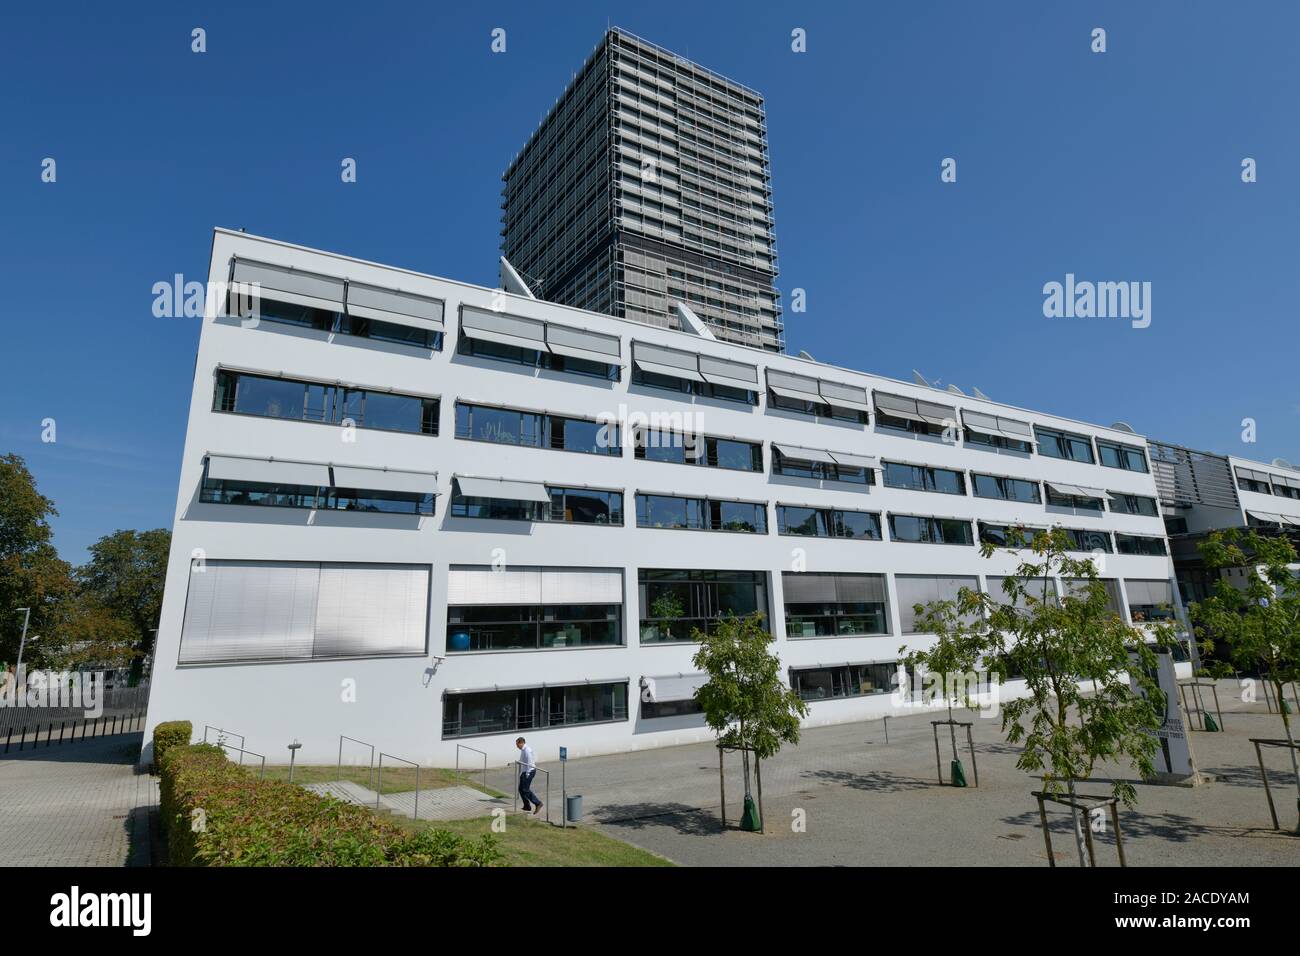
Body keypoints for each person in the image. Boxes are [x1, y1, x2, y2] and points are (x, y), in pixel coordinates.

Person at [515, 737, 542, 815]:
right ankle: (527, 806)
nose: (517, 746)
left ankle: (538, 803)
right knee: (521, 789)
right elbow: (524, 760)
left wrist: (527, 774)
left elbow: (529, 763)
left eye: (517, 744)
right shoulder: (523, 750)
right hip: (525, 771)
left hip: (529, 772)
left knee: (525, 790)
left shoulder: (527, 750)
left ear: (521, 743)